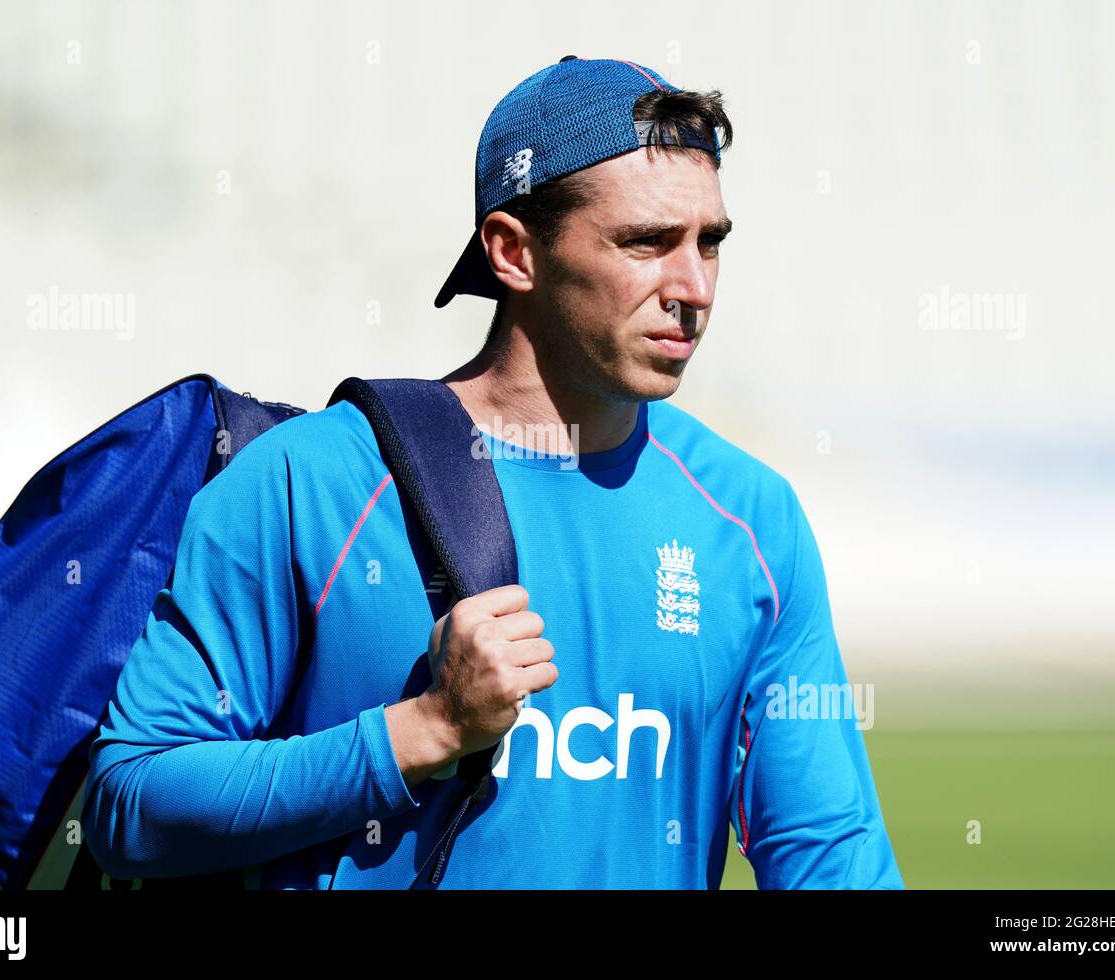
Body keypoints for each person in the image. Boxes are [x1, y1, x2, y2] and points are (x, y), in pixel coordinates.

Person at [83, 55, 904, 889]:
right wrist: (426, 729)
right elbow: (129, 802)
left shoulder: (751, 518)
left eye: (709, 244)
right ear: (513, 253)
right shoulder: (310, 481)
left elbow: (831, 855)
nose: (692, 287)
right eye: (647, 243)